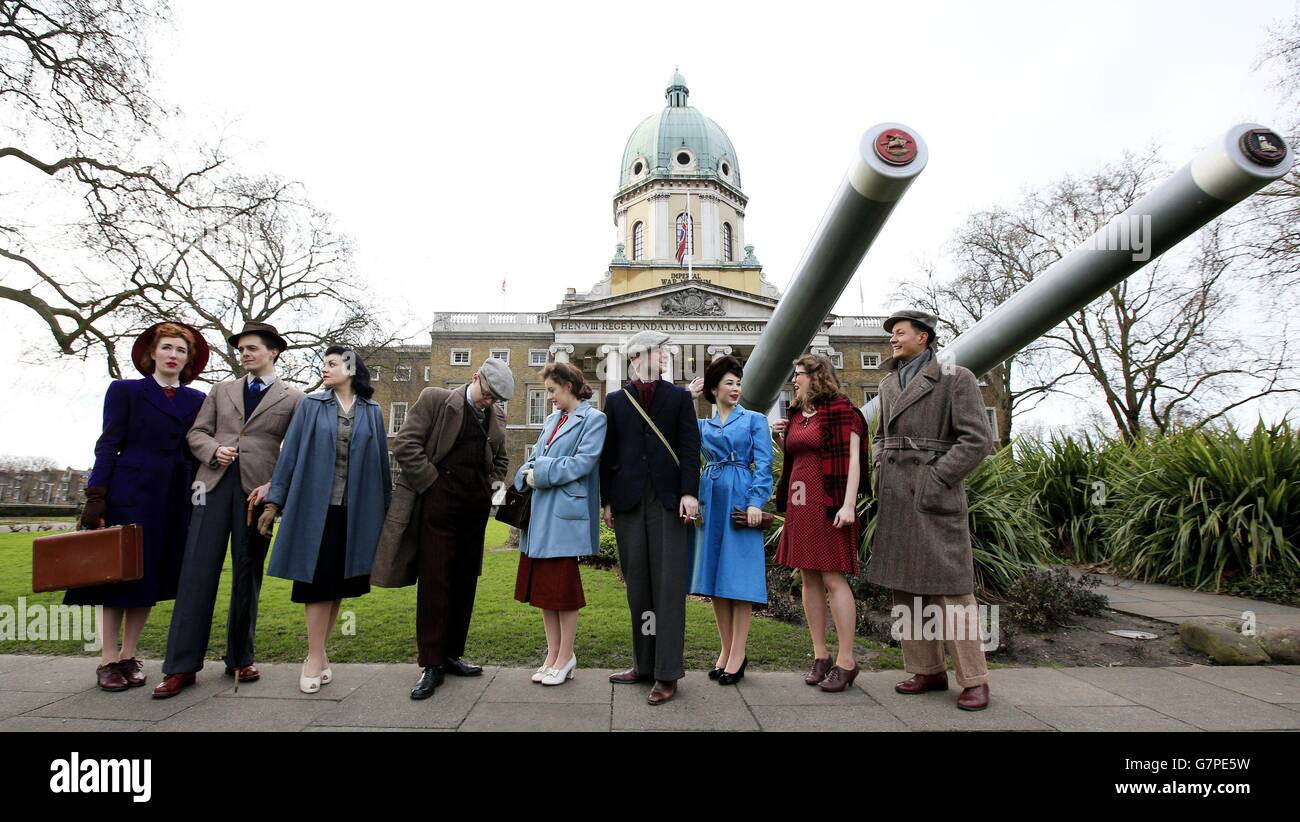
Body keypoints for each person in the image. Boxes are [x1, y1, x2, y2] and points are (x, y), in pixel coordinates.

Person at [153, 321, 305, 698]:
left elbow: (296, 450)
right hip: (212, 486)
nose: (245, 354)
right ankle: (180, 667)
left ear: (273, 352)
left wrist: (276, 490)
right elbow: (196, 433)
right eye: (241, 349)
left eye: (252, 348)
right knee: (197, 574)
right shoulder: (220, 391)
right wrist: (212, 451)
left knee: (247, 575)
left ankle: (240, 658)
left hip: (258, 493)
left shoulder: (294, 398)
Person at [67, 322, 208, 691]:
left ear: (188, 358)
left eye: (180, 350)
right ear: (152, 353)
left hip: (173, 495)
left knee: (149, 577)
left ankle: (130, 655)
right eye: (167, 348)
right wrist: (97, 494)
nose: (173, 355)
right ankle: (107, 660)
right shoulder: (126, 391)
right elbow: (108, 443)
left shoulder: (198, 400)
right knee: (118, 576)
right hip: (130, 492)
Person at [865, 310, 994, 711]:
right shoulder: (887, 383)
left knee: (952, 591)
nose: (892, 340)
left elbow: (976, 440)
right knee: (907, 587)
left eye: (899, 333)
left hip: (933, 495)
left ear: (924, 337)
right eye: (891, 334)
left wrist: (937, 479)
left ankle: (974, 679)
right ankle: (926, 670)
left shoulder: (957, 377)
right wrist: (877, 465)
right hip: (896, 495)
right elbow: (882, 435)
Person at [370, 357, 512, 700]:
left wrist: (492, 484)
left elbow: (502, 459)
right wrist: (431, 483)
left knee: (464, 583)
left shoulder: (495, 416)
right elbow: (405, 444)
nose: (488, 402)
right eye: (487, 394)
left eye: (495, 399)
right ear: (475, 377)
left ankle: (451, 656)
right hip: (437, 505)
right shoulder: (435, 399)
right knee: (435, 581)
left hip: (473, 511)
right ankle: (431, 663)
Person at [257, 346, 391, 693]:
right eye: (324, 364)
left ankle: (320, 653)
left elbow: (381, 466)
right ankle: (314, 657)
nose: (325, 369)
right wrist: (274, 502)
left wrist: (388, 514)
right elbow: (290, 456)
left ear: (350, 369)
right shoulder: (310, 406)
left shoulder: (373, 411)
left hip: (355, 512)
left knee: (337, 586)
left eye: (332, 364)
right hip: (315, 510)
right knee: (317, 584)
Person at [600, 330, 700, 705]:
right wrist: (607, 500)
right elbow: (608, 455)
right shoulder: (616, 400)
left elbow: (690, 447)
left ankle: (667, 673)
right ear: (639, 356)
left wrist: (690, 492)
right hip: (628, 503)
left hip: (667, 502)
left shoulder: (678, 398)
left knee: (668, 589)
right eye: (660, 351)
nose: (665, 356)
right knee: (638, 587)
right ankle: (643, 664)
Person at [772, 353, 869, 693]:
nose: (794, 380)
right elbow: (797, 456)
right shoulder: (795, 414)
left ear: (816, 376)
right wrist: (779, 440)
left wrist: (848, 505)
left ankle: (846, 660)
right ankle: (820, 656)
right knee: (807, 577)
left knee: (832, 577)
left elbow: (854, 461)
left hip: (829, 504)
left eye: (798, 374)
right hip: (799, 506)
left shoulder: (844, 411)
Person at [512, 361, 607, 686]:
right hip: (540, 515)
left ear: (568, 385)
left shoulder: (594, 419)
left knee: (562, 590)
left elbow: (583, 462)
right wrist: (524, 474)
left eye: (552, 390)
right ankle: (552, 655)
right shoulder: (553, 419)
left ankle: (566, 656)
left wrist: (541, 473)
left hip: (565, 517)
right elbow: (536, 456)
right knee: (544, 591)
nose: (549, 397)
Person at [685, 355, 773, 686]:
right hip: (710, 497)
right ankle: (725, 650)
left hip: (739, 497)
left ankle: (738, 654)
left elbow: (763, 465)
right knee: (716, 581)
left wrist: (755, 502)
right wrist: (687, 398)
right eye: (729, 383)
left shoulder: (754, 420)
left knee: (738, 578)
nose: (736, 388)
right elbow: (673, 435)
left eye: (739, 383)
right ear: (713, 388)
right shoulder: (701, 426)